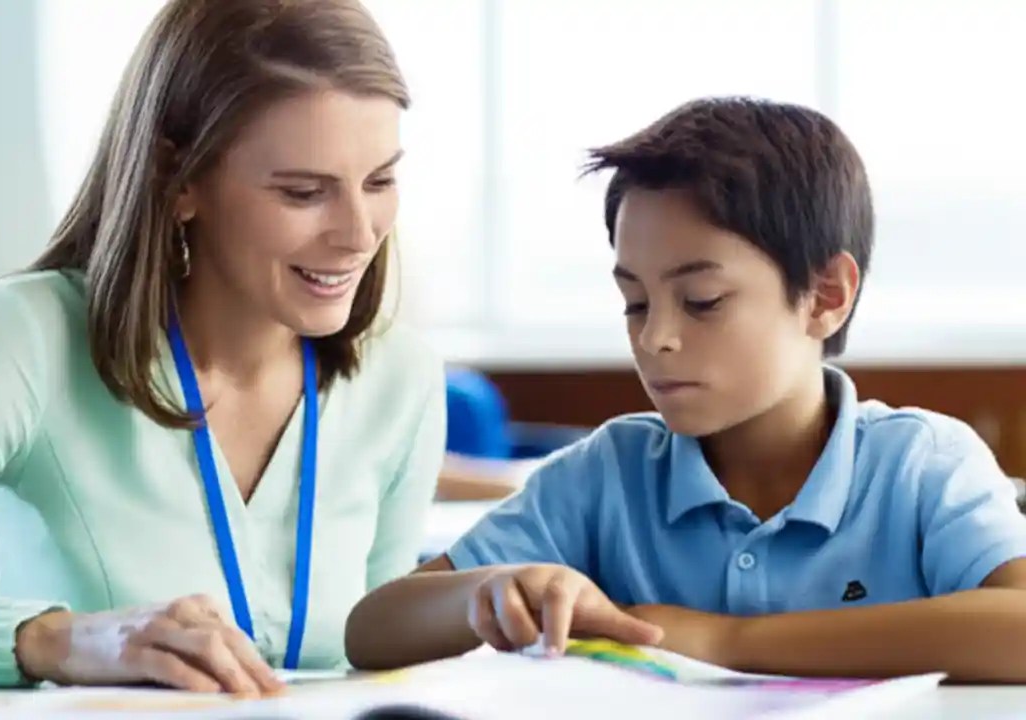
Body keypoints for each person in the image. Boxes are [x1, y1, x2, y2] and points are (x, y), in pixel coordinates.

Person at [0, 0, 446, 695]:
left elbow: (375, 666)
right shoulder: (26, 338)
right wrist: (56, 639)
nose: (359, 232)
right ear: (179, 181)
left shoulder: (400, 377)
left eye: (381, 180)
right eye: (303, 192)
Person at [344, 97, 1026, 683]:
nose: (654, 338)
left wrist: (728, 641)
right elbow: (373, 630)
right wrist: (487, 592)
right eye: (635, 303)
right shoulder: (605, 477)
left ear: (825, 296)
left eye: (701, 301)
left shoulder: (924, 463)